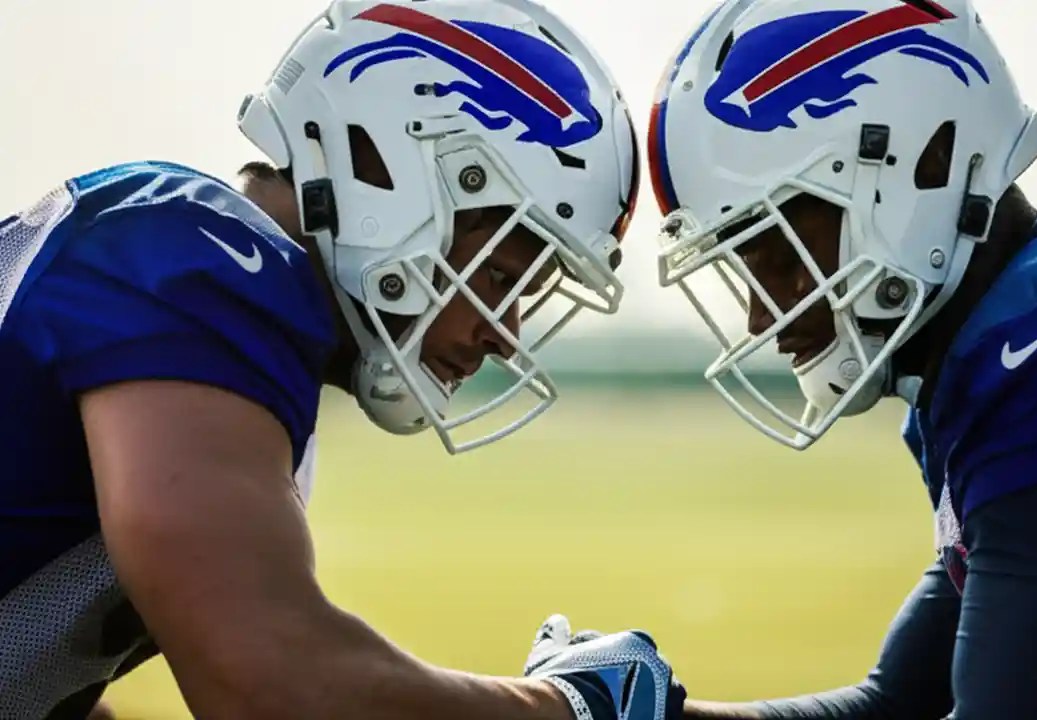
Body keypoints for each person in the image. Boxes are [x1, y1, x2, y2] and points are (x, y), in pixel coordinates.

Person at [0, 1, 685, 717]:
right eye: (501, 276)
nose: (504, 333)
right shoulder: (200, 262)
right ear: (395, 185)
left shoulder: (224, 318)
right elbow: (269, 684)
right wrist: (567, 707)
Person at [644, 0, 1037, 717]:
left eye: (780, 253)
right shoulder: (1027, 331)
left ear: (928, 161)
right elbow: (898, 705)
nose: (767, 315)